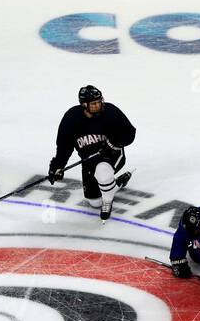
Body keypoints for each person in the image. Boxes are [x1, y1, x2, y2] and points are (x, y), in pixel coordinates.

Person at [47, 85, 135, 221]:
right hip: (89, 162)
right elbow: (64, 146)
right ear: (84, 104)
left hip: (113, 155)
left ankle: (107, 201)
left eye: (99, 101)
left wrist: (113, 144)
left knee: (103, 170)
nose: (98, 105)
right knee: (94, 201)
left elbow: (130, 133)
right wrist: (58, 165)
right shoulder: (71, 118)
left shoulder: (110, 111)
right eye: (94, 103)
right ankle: (116, 185)